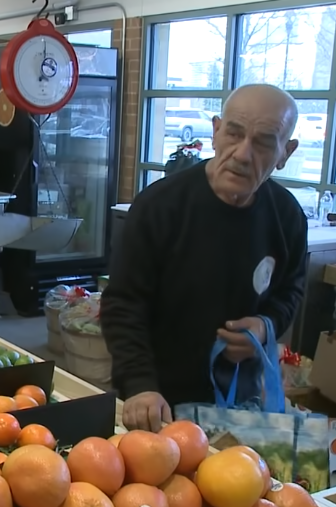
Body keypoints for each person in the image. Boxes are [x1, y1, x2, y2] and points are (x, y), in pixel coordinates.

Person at [100, 84, 308, 431]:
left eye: (263, 141)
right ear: (215, 131)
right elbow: (123, 304)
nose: (243, 154)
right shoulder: (160, 206)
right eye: (234, 133)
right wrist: (140, 386)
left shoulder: (287, 216)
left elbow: (291, 291)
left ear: (285, 152)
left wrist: (264, 325)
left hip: (241, 403)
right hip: (157, 401)